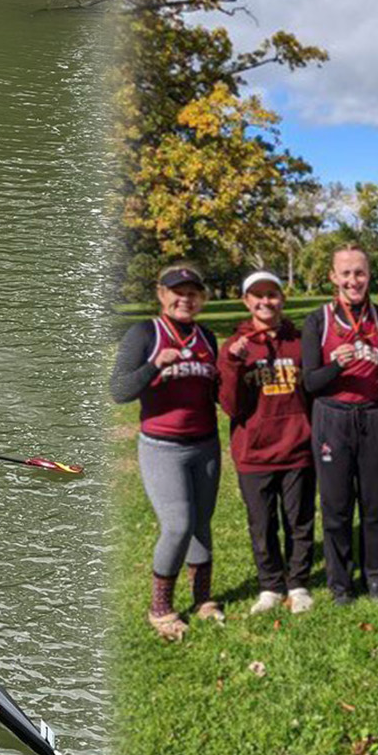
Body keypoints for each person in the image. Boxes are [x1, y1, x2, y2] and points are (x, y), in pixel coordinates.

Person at [110, 264, 223, 640]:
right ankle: (160, 609)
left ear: (202, 299)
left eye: (192, 293)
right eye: (177, 291)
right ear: (161, 294)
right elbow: (119, 390)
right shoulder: (145, 333)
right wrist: (154, 365)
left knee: (201, 523)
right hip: (162, 447)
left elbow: (217, 390)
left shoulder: (207, 336)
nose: (185, 299)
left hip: (205, 443)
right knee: (177, 526)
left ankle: (203, 599)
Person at [301, 247, 378, 604]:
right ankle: (340, 582)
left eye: (359, 272)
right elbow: (310, 382)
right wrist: (337, 366)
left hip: (372, 415)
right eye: (345, 274)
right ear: (333, 277)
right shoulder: (318, 320)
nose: (353, 280)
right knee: (337, 505)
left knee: (377, 501)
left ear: (369, 275)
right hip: (332, 417)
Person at [217, 270, 315, 616]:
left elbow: (312, 393)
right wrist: (232, 363)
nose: (265, 301)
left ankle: (298, 583)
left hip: (297, 448)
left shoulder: (300, 342)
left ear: (281, 299)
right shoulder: (234, 347)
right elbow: (229, 405)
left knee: (299, 522)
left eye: (271, 294)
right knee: (262, 525)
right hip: (254, 453)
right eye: (257, 295)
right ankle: (271, 586)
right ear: (247, 301)